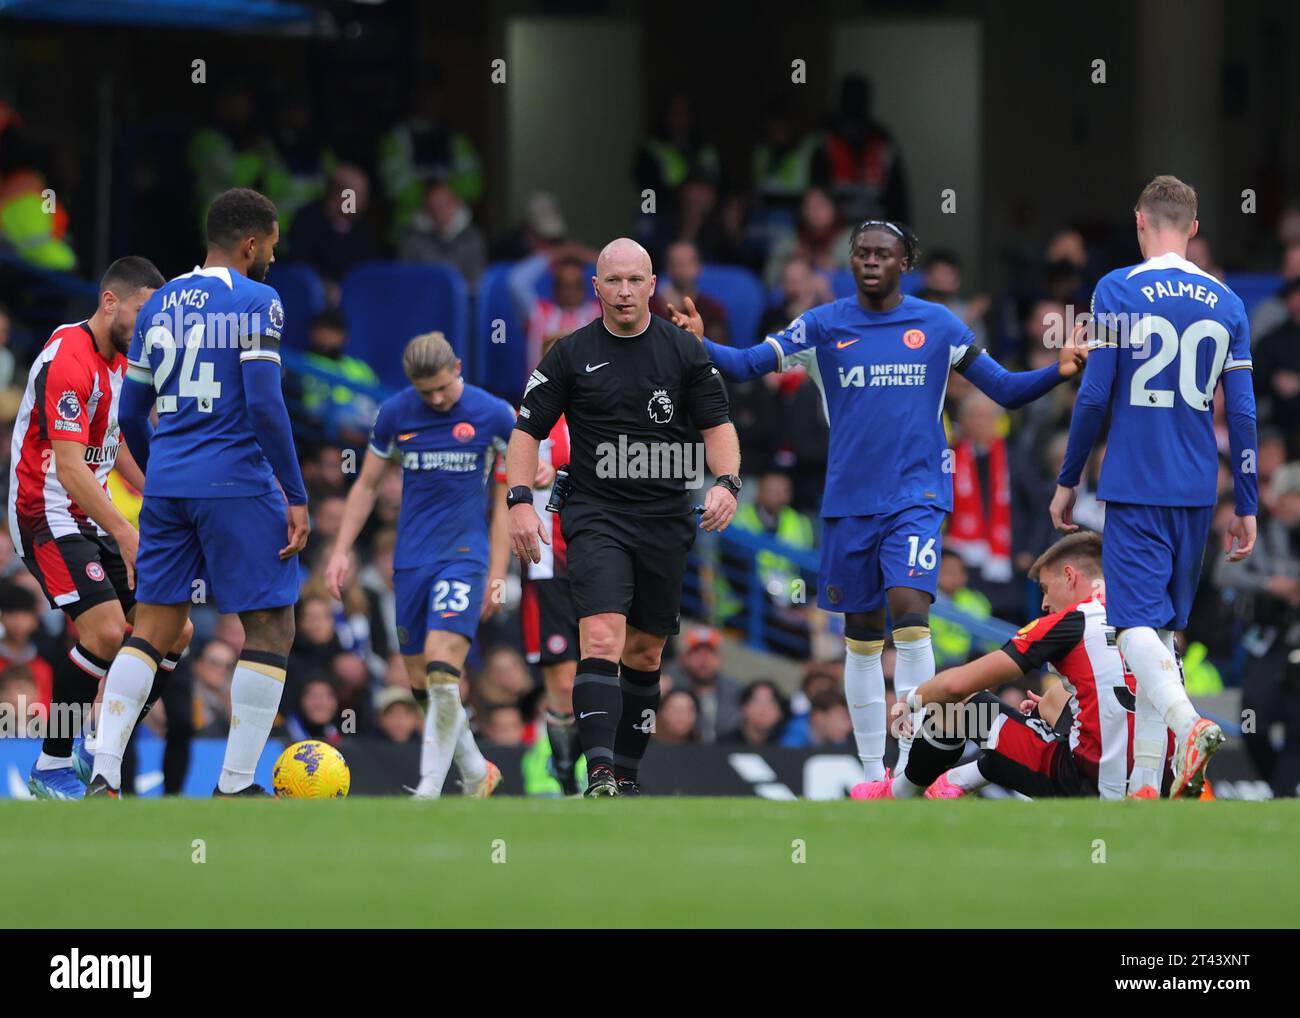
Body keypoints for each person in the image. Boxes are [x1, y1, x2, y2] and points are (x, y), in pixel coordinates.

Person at [670, 219, 1086, 786]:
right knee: (862, 638)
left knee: (911, 616)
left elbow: (1005, 389)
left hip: (915, 496)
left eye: (882, 254)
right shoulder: (822, 324)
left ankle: (918, 767)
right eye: (861, 253)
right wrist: (701, 344)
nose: (870, 262)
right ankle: (874, 776)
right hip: (847, 503)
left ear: (903, 263)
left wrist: (1057, 372)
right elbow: (746, 365)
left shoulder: (938, 324)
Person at [88, 188, 310, 798]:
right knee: (269, 628)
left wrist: (165, 471)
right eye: (269, 244)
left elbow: (132, 411)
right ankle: (236, 784)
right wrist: (295, 493)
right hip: (237, 480)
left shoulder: (157, 306)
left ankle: (104, 768)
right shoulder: (259, 300)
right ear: (249, 242)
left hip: (169, 488)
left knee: (153, 626)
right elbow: (265, 404)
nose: (271, 255)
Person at [506, 237, 740, 797]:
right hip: (596, 514)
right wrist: (518, 501)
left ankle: (628, 777)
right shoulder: (568, 351)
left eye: (636, 279)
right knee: (603, 636)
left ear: (653, 284)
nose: (625, 291)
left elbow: (718, 429)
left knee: (645, 651)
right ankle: (601, 774)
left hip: (666, 517)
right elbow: (525, 432)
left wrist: (727, 484)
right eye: (613, 280)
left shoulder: (684, 351)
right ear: (597, 288)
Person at [1052, 175, 1258, 799]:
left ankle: (1188, 723)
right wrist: (1246, 503)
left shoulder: (1117, 288)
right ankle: (1146, 781)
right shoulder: (1227, 301)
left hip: (1137, 481)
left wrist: (1068, 479)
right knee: (1161, 632)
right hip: (1197, 487)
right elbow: (1244, 415)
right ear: (1193, 228)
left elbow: (1093, 395)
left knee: (1132, 623)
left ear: (1140, 220)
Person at [9, 257, 195, 799]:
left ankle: (101, 743)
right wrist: (128, 532)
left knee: (175, 631)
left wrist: (168, 496)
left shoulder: (125, 365)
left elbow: (118, 455)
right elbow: (69, 467)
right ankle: (51, 765)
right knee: (108, 633)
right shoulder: (68, 357)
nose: (149, 324)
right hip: (42, 511)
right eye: (143, 310)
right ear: (110, 301)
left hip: (87, 517)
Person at [324, 331, 515, 799]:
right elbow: (367, 486)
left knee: (442, 663)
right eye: (424, 391)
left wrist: (496, 573)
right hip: (410, 562)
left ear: (458, 369)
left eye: (442, 388)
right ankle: (476, 771)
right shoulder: (395, 413)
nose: (434, 398)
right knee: (421, 681)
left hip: (464, 557)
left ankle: (429, 787)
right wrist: (341, 549)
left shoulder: (495, 415)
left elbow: (509, 496)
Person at [851, 532, 1175, 801]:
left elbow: (956, 686)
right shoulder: (1152, 620)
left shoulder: (1071, 622)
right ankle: (955, 783)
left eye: (1046, 589)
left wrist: (910, 702)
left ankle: (899, 793)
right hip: (1161, 782)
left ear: (1070, 576)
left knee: (959, 705)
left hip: (1093, 785)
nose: (1045, 604)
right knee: (1051, 701)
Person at [519, 341, 583, 794]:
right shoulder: (533, 419)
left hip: (606, 557)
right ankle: (565, 776)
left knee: (606, 670)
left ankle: (604, 771)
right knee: (562, 679)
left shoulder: (611, 411)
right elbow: (506, 483)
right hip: (549, 563)